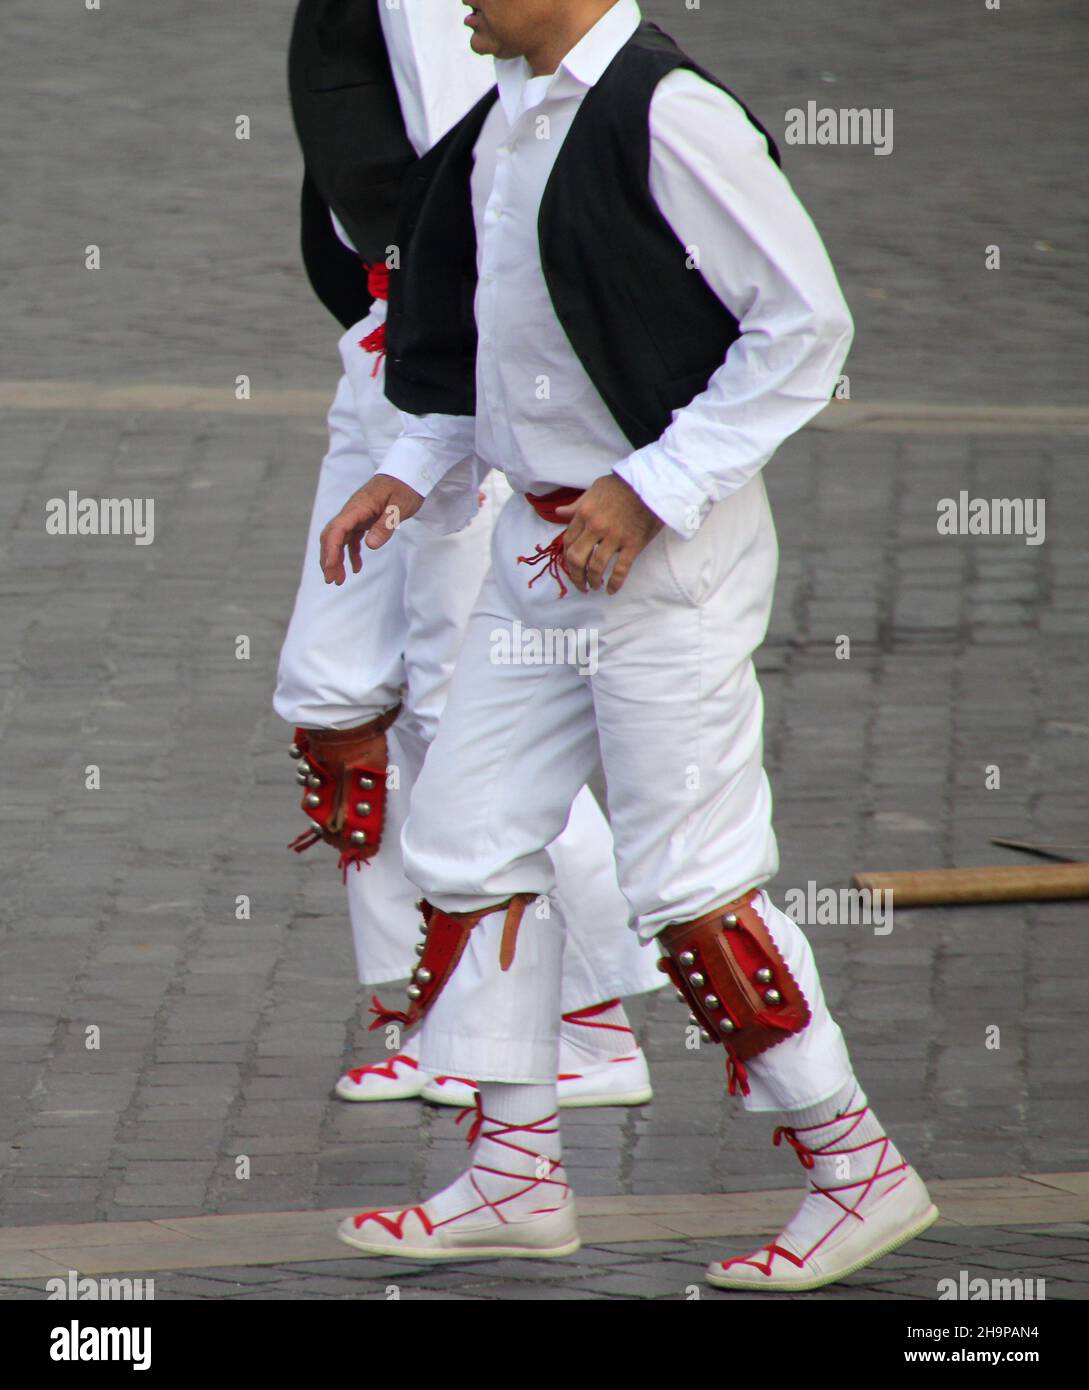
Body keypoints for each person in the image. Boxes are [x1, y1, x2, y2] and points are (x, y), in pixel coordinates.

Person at [320, 0, 938, 1289]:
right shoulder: (505, 121)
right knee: (466, 835)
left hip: (668, 564)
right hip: (537, 556)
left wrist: (655, 485)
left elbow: (806, 328)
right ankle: (514, 1171)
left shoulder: (671, 112)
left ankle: (856, 1166)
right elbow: (485, 344)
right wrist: (413, 463)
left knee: (691, 882)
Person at [277, 0, 663, 1111]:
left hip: (454, 367)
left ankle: (588, 1027)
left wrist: (468, 382)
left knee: (459, 703)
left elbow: (485, 172)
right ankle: (422, 1005)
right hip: (382, 354)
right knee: (336, 692)